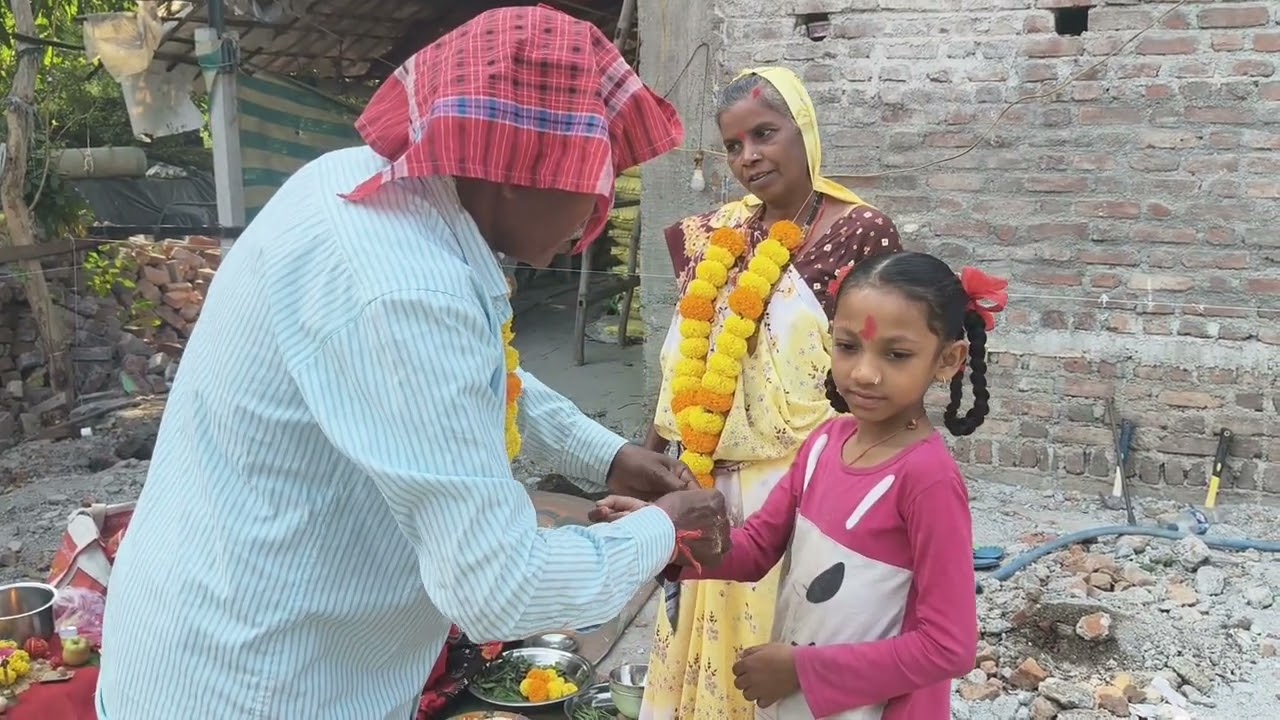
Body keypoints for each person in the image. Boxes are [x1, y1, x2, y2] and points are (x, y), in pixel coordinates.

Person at [96, 8, 731, 720]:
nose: (595, 216)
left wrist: (608, 455)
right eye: (596, 176)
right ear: (523, 168)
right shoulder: (402, 284)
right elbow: (499, 590)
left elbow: (473, 381)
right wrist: (663, 528)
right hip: (257, 681)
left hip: (272, 644)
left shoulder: (377, 192)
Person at [597, 250, 1005, 718]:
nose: (864, 373)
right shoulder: (826, 442)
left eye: (896, 354)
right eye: (848, 346)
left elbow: (948, 647)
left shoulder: (926, 480)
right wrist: (663, 536)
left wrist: (803, 669)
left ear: (949, 359)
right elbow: (754, 549)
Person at [638, 67, 903, 718]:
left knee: (785, 660)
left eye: (765, 133)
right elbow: (682, 363)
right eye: (733, 145)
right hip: (705, 484)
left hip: (806, 490)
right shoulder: (716, 235)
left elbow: (885, 377)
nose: (749, 156)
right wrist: (654, 462)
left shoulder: (860, 235)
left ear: (804, 132)